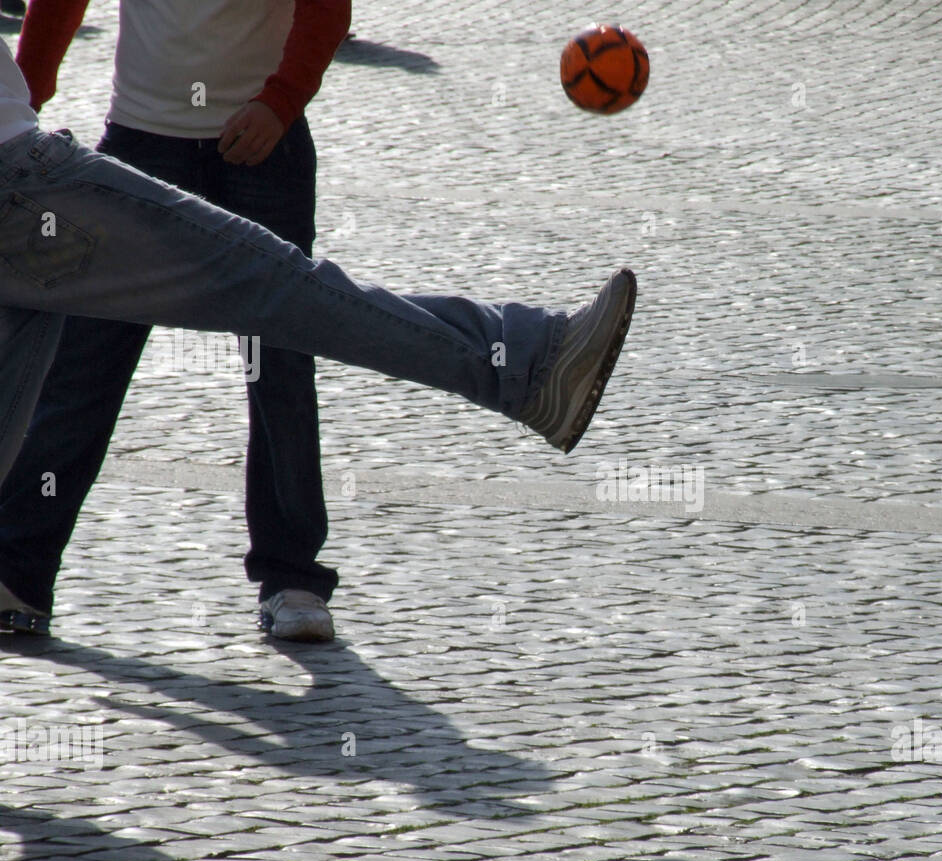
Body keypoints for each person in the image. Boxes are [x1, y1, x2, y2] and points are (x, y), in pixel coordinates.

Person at [0, 34, 638, 635]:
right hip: (21, 182)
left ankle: (13, 580)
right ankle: (525, 366)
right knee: (281, 293)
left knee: (261, 322)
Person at [0, 0, 349, 643]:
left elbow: (325, 5)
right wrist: (27, 96)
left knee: (279, 365)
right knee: (82, 364)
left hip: (262, 143)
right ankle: (17, 576)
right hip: (138, 142)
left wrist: (281, 100)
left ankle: (291, 576)